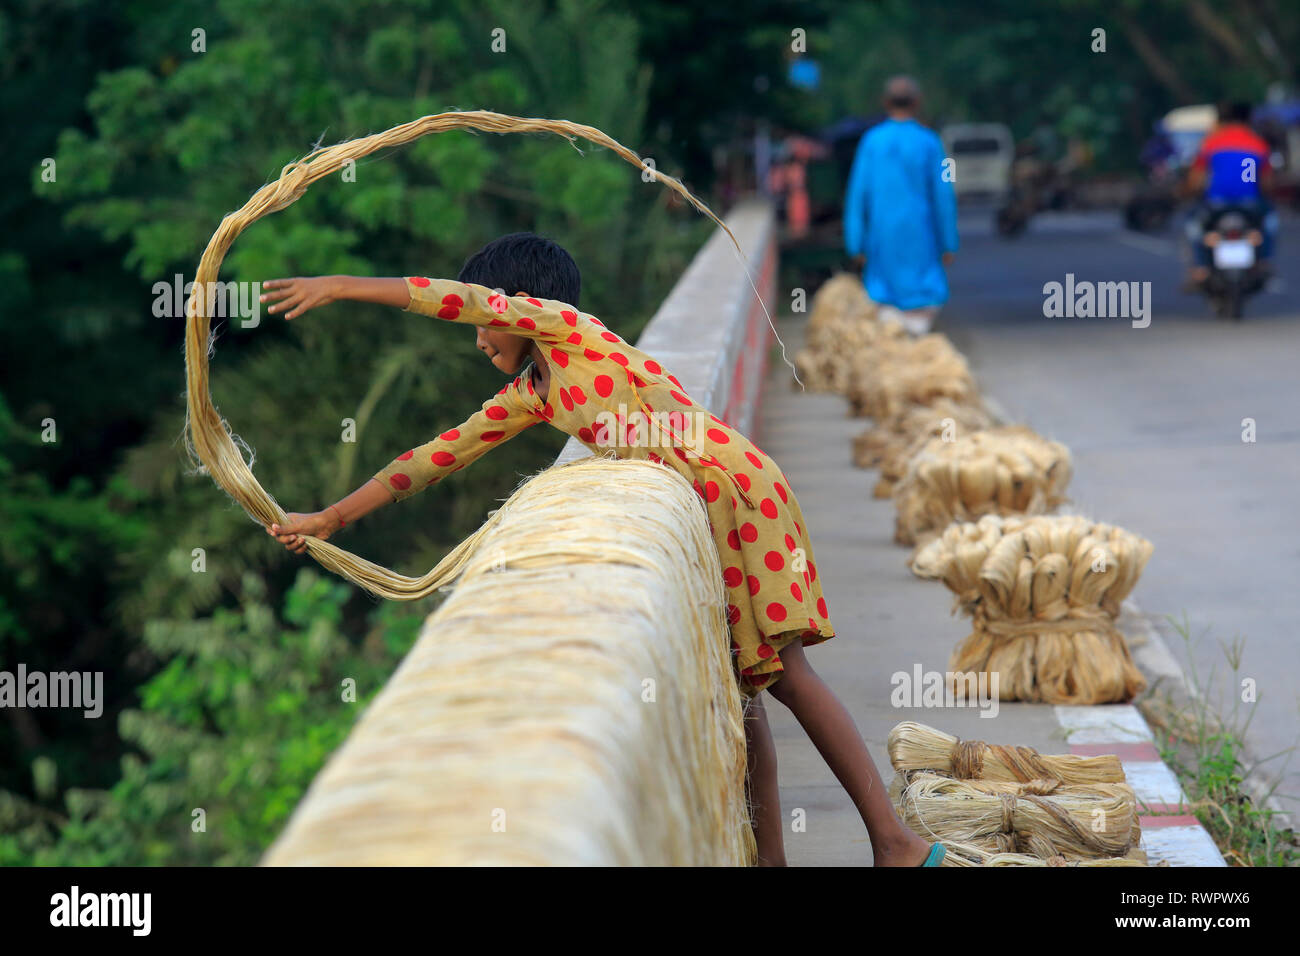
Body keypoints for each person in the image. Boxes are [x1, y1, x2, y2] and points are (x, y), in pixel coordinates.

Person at [258, 232, 945, 867]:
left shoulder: (566, 329)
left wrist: (344, 285)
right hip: (709, 505)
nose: (476, 338)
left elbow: (458, 297)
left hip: (735, 491)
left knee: (787, 676)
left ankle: (894, 841)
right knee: (747, 699)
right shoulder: (533, 392)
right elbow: (441, 453)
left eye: (483, 322)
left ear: (521, 308)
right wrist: (332, 516)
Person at [844, 76, 958, 336]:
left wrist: (855, 243)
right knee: (921, 308)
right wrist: (949, 242)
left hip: (882, 238)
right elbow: (944, 195)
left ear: (885, 102)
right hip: (921, 238)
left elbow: (857, 195)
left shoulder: (871, 142)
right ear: (917, 102)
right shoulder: (931, 142)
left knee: (885, 309)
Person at [1182, 100, 1275, 287]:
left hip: (1217, 203)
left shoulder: (1211, 143)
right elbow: (1267, 183)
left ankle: (1201, 268)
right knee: (1270, 223)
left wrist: (1187, 192)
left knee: (1193, 225)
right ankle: (1263, 261)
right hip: (1250, 204)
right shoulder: (1258, 144)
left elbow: (1196, 180)